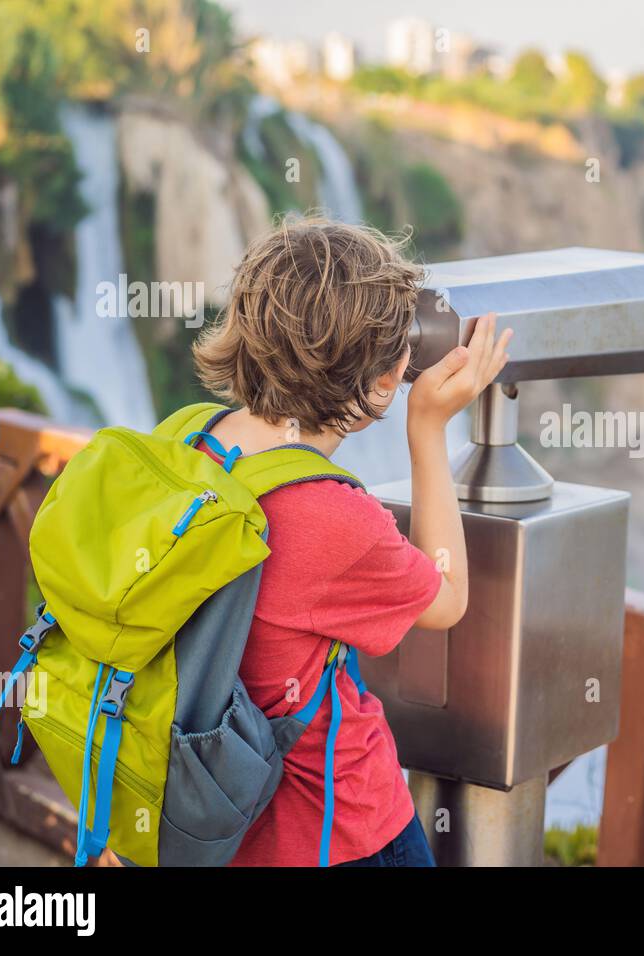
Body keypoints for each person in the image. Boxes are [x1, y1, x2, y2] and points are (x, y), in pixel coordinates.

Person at [189, 216, 510, 866]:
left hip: (207, 812)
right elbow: (446, 599)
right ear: (385, 382)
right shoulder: (329, 515)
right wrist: (429, 431)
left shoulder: (195, 441)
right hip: (334, 830)